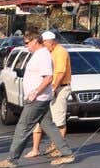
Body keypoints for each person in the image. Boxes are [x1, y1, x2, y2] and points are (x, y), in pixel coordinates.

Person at [0, 32, 73, 168]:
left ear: (35, 41)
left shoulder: (42, 55)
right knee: (49, 126)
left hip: (38, 98)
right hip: (40, 98)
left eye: (26, 43)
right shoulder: (39, 54)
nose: (26, 46)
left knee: (22, 127)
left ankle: (12, 159)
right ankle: (66, 153)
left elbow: (48, 77)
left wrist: (36, 92)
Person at [31, 31, 72, 159]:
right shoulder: (47, 52)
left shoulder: (60, 52)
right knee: (44, 118)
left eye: (44, 43)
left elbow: (60, 73)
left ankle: (59, 148)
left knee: (58, 119)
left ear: (51, 42)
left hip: (59, 88)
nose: (43, 45)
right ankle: (48, 146)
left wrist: (53, 88)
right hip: (49, 89)